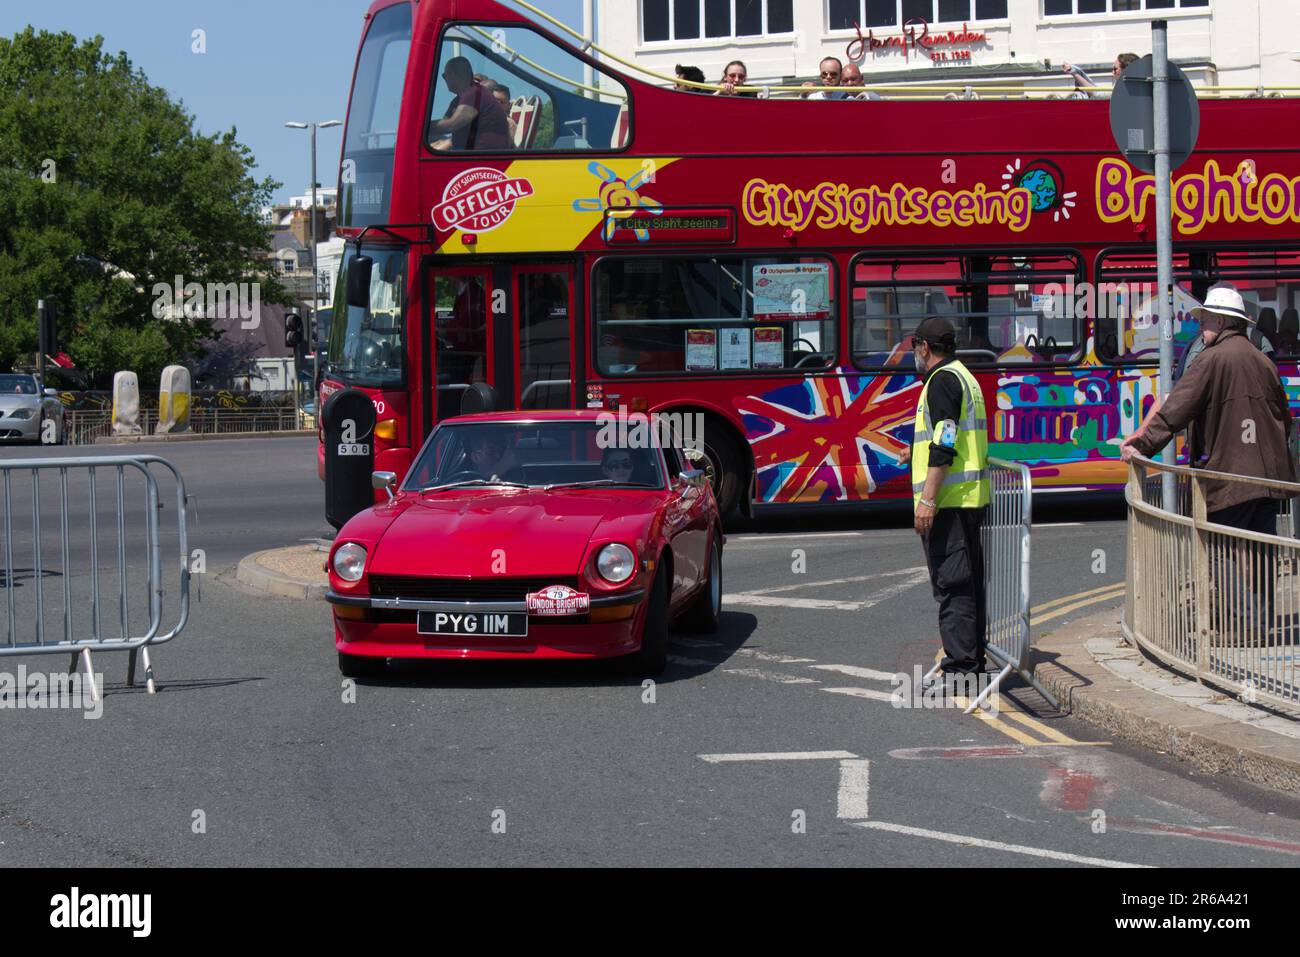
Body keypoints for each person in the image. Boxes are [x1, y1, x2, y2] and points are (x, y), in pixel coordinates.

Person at [899, 316, 991, 681]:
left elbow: (946, 442)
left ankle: (962, 669)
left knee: (953, 587)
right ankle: (970, 663)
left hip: (951, 502)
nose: (915, 355)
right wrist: (914, 452)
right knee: (965, 584)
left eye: (915, 347)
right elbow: (945, 436)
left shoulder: (942, 381)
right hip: (967, 500)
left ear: (924, 347)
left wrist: (928, 501)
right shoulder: (964, 376)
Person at [430, 56, 511, 151]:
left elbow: (452, 124)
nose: (444, 79)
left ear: (455, 74)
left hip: (484, 157)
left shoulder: (475, 93)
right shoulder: (457, 100)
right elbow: (444, 124)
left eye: (444, 75)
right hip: (467, 153)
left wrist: (420, 126)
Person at [1063, 52, 1138, 97]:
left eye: (1115, 69)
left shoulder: (1122, 91)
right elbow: (1096, 92)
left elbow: (1096, 93)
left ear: (1125, 71)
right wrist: (1075, 73)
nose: (1112, 72)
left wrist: (1075, 73)